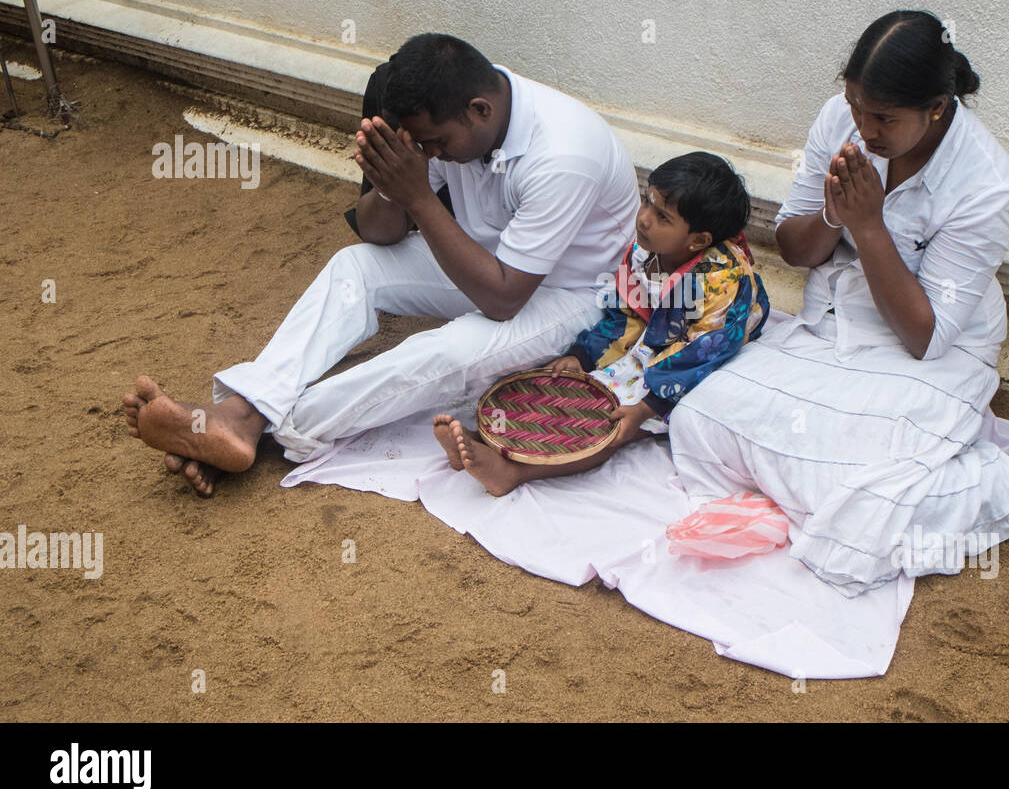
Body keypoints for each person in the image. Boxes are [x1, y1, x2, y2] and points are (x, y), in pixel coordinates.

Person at [668, 10, 1009, 597]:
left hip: (929, 352)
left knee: (856, 506)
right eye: (854, 105)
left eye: (883, 118)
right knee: (698, 420)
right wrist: (832, 212)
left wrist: (869, 227)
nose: (863, 128)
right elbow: (797, 250)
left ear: (938, 108)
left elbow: (925, 335)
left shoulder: (987, 186)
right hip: (829, 327)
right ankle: (973, 441)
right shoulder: (840, 123)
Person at [122, 33, 640, 496]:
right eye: (423, 144)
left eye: (438, 143)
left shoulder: (565, 154)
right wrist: (389, 182)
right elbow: (378, 233)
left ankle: (252, 423)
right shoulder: (453, 120)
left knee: (449, 350)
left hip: (568, 297)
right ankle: (237, 420)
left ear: (480, 110)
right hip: (488, 264)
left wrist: (419, 196)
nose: (432, 152)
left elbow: (503, 300)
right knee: (357, 266)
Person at [434, 151, 770, 496]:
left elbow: (702, 352)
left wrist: (646, 407)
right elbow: (626, 313)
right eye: (647, 202)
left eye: (662, 216)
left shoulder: (720, 284)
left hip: (698, 360)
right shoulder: (646, 252)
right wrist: (584, 354)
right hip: (664, 337)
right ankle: (495, 441)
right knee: (580, 389)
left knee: (610, 428)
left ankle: (514, 472)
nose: (643, 220)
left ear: (697, 240)